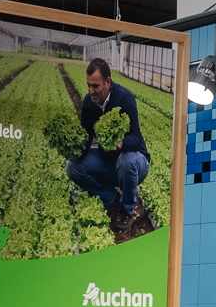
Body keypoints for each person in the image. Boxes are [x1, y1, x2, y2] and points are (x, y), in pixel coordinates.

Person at [65, 58, 152, 238]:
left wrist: (120, 143)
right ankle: (112, 201)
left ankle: (127, 210)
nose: (91, 91)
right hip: (109, 163)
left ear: (108, 82)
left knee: (127, 160)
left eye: (95, 86)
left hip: (135, 165)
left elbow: (136, 138)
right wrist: (73, 147)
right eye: (88, 85)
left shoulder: (125, 98)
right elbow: (86, 138)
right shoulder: (89, 103)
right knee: (72, 167)